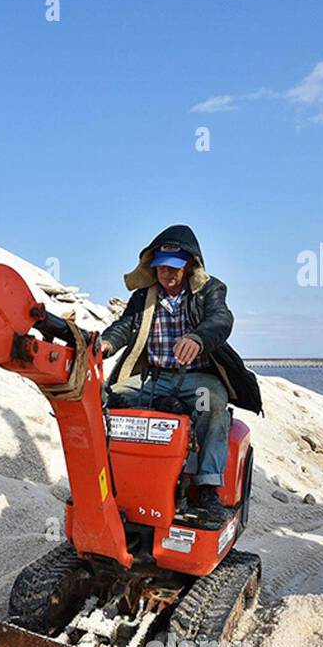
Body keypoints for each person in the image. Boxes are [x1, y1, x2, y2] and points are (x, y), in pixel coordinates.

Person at [98, 225, 261, 527]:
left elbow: (220, 320)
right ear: (154, 265)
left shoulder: (210, 290)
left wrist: (199, 338)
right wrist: (105, 345)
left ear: (188, 266)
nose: (167, 274)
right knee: (111, 403)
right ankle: (118, 483)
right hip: (154, 377)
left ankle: (208, 489)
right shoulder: (143, 297)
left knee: (211, 405)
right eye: (162, 267)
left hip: (196, 378)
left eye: (174, 268)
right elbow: (124, 327)